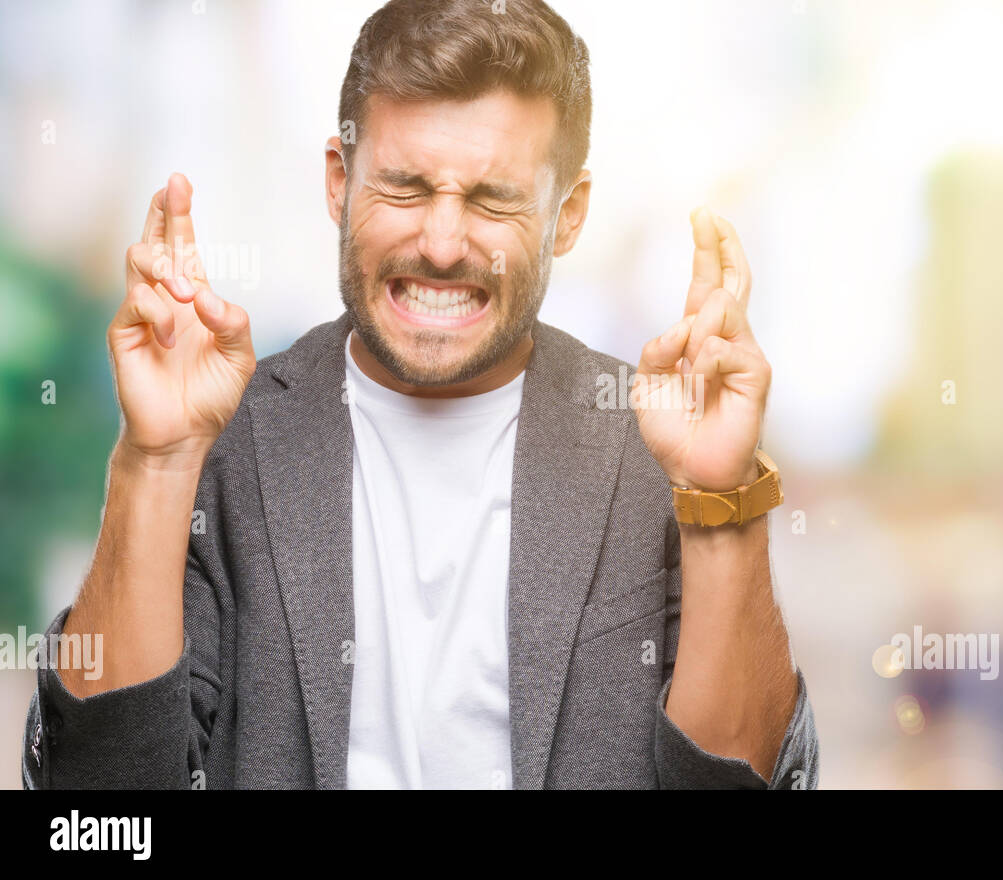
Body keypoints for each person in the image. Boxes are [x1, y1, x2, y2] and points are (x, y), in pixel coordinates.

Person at [22, 0, 817, 789]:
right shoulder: (227, 439)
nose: (441, 244)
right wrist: (154, 462)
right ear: (339, 182)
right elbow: (99, 811)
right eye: (404, 189)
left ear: (566, 216)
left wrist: (722, 501)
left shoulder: (651, 444)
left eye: (492, 198)